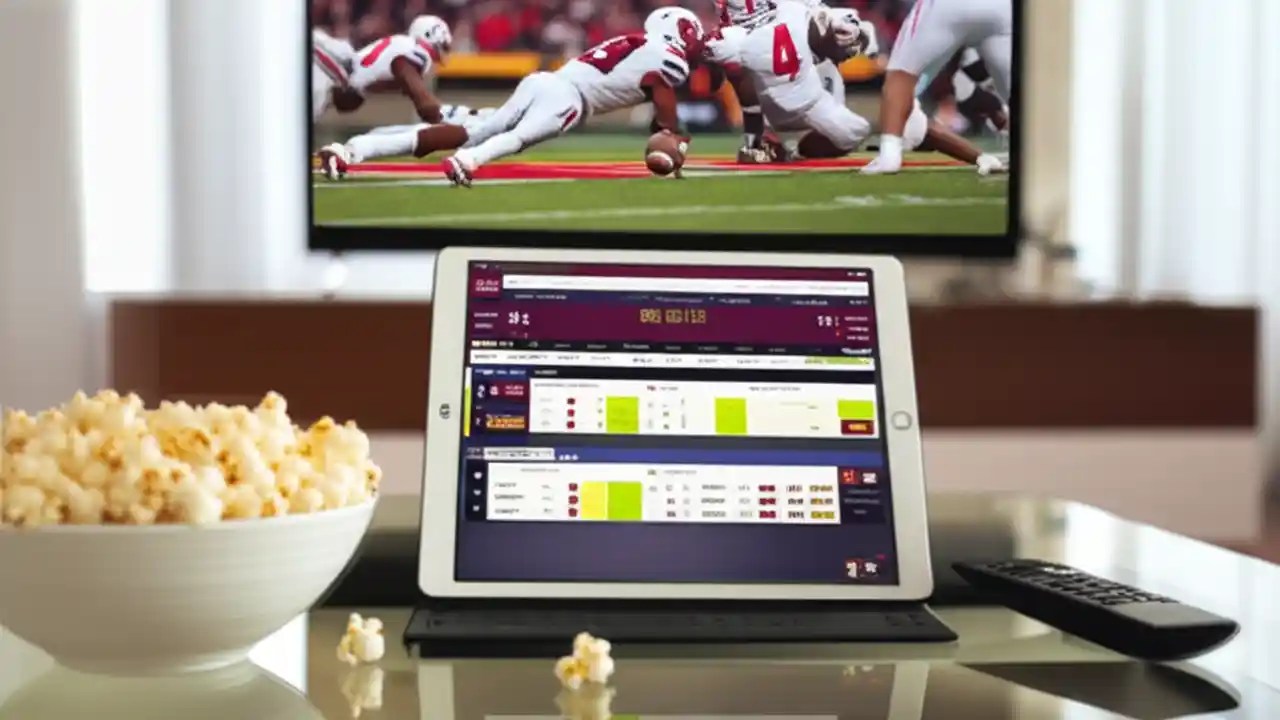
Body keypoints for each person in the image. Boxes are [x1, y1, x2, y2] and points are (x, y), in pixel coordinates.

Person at [409, 7, 704, 187]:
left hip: (545, 80)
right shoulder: (665, 56)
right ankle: (467, 161)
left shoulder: (635, 41)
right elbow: (662, 95)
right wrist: (673, 133)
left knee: (489, 128)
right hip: (569, 96)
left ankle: (425, 135)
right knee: (519, 138)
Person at [863, 0, 1012, 175]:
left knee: (900, 76)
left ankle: (889, 155)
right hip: (1002, 8)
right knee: (1021, 85)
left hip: (946, 7)